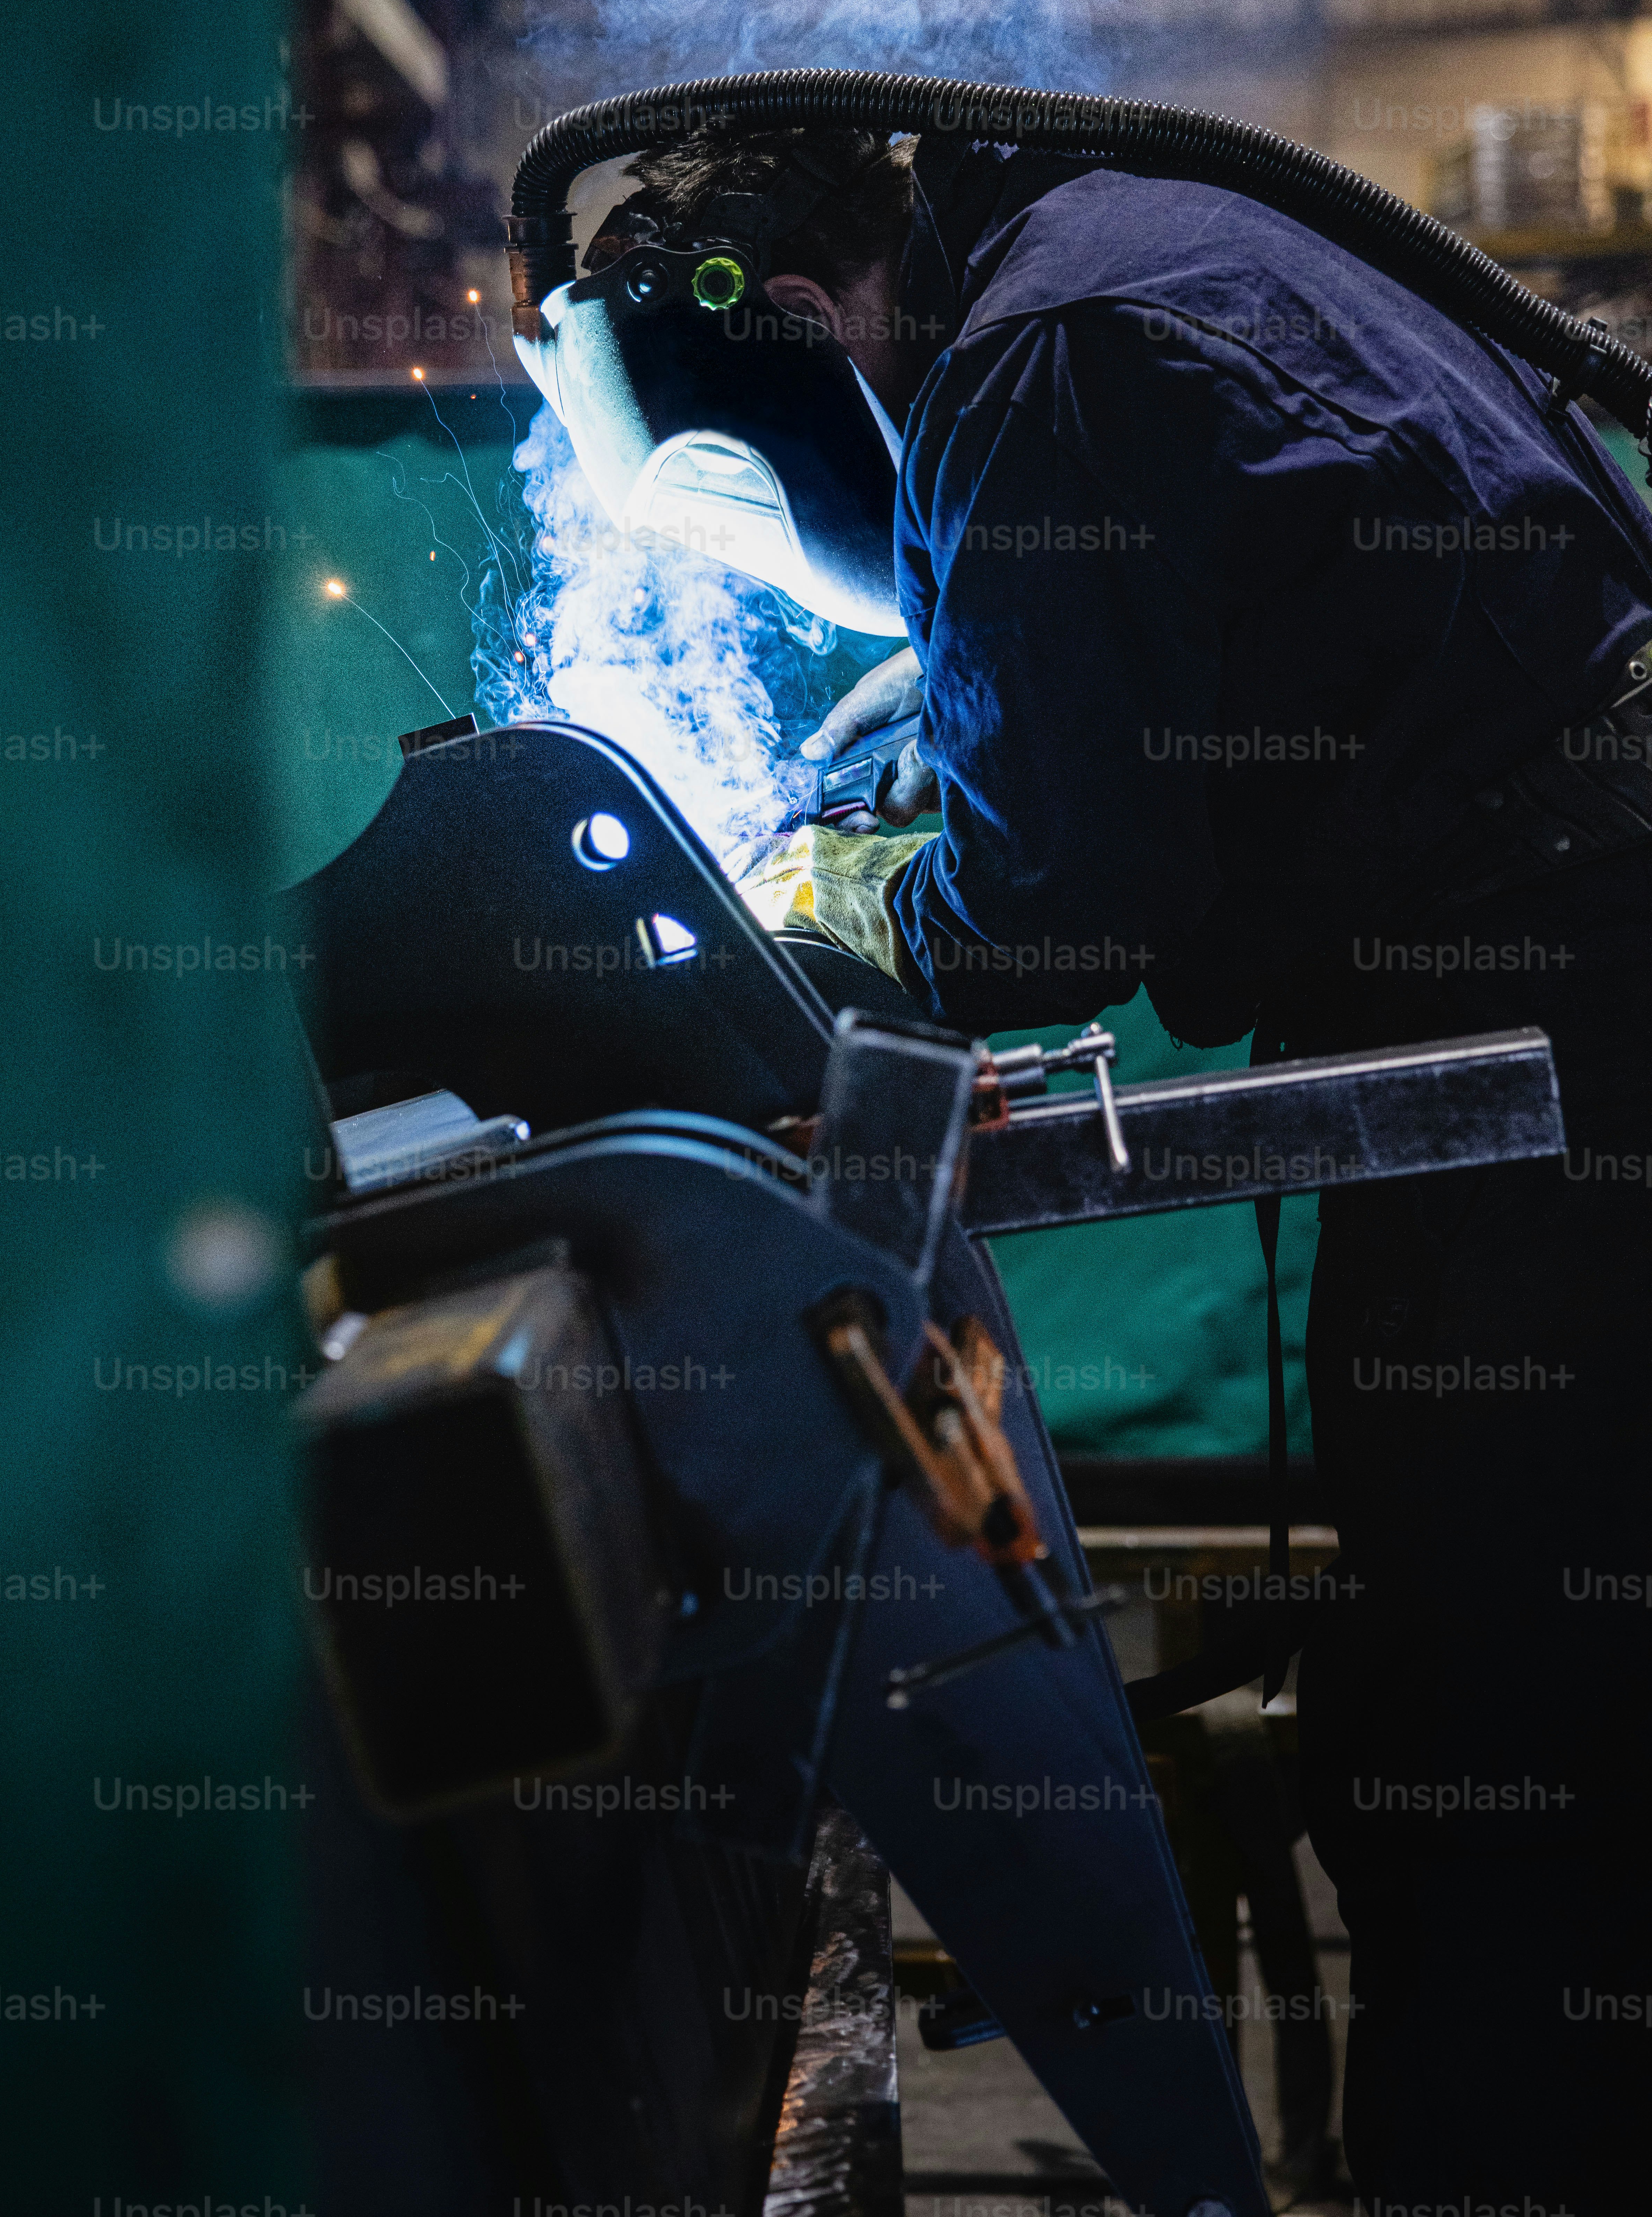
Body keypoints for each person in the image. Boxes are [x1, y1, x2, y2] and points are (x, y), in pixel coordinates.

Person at [535, 115, 1652, 2206]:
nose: (802, 547)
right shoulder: (1093, 265)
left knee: (1497, 1732)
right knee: (1487, 1697)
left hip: (1593, 1034)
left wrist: (820, 899)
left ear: (792, 324)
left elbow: (1048, 902)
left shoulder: (1039, 359)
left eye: (768, 500)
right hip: (1567, 999)